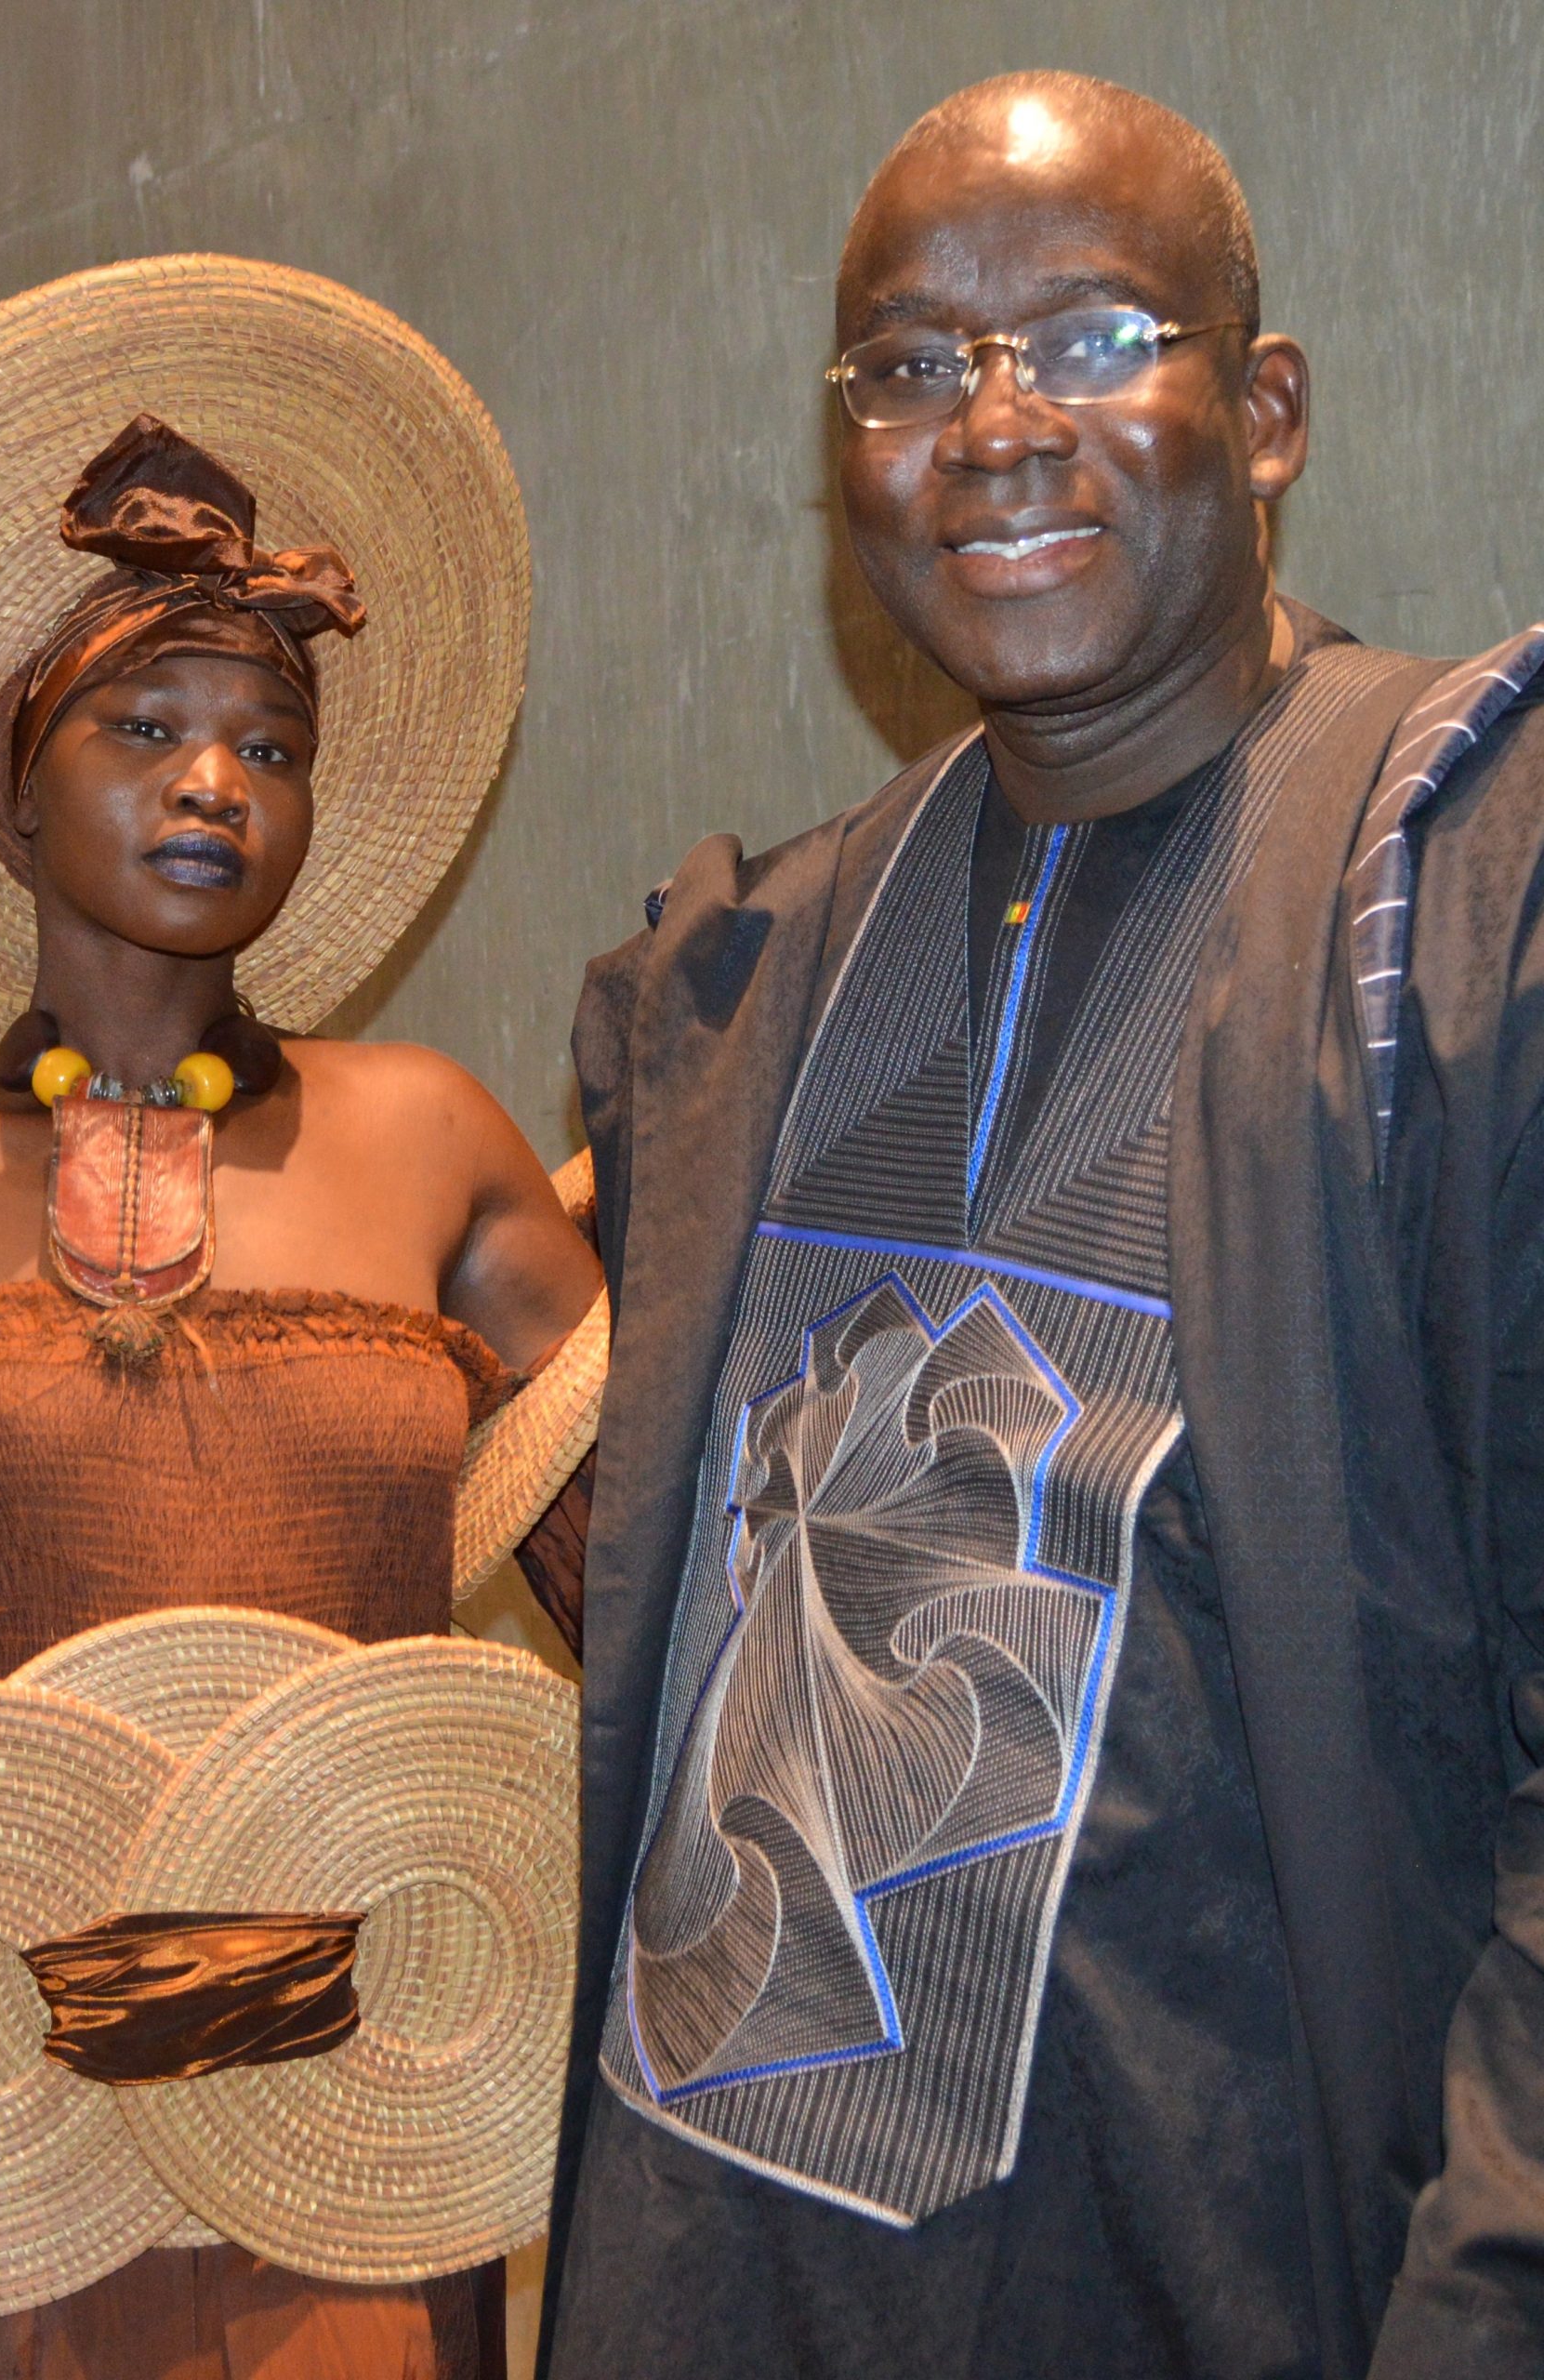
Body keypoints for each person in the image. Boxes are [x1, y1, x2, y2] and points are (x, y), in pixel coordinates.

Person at [540, 72, 1544, 2380]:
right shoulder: (754, 969)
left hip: (1243, 2273)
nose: (987, 427)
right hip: (712, 2283)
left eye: (1091, 338)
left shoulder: (1458, 893)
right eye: (906, 366)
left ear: (1261, 409)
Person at [0, 271, 600, 2379]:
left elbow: (664, 1591)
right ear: (10, 790)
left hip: (343, 2129)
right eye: (147, 725)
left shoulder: (428, 1139)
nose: (216, 782)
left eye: (271, 741)